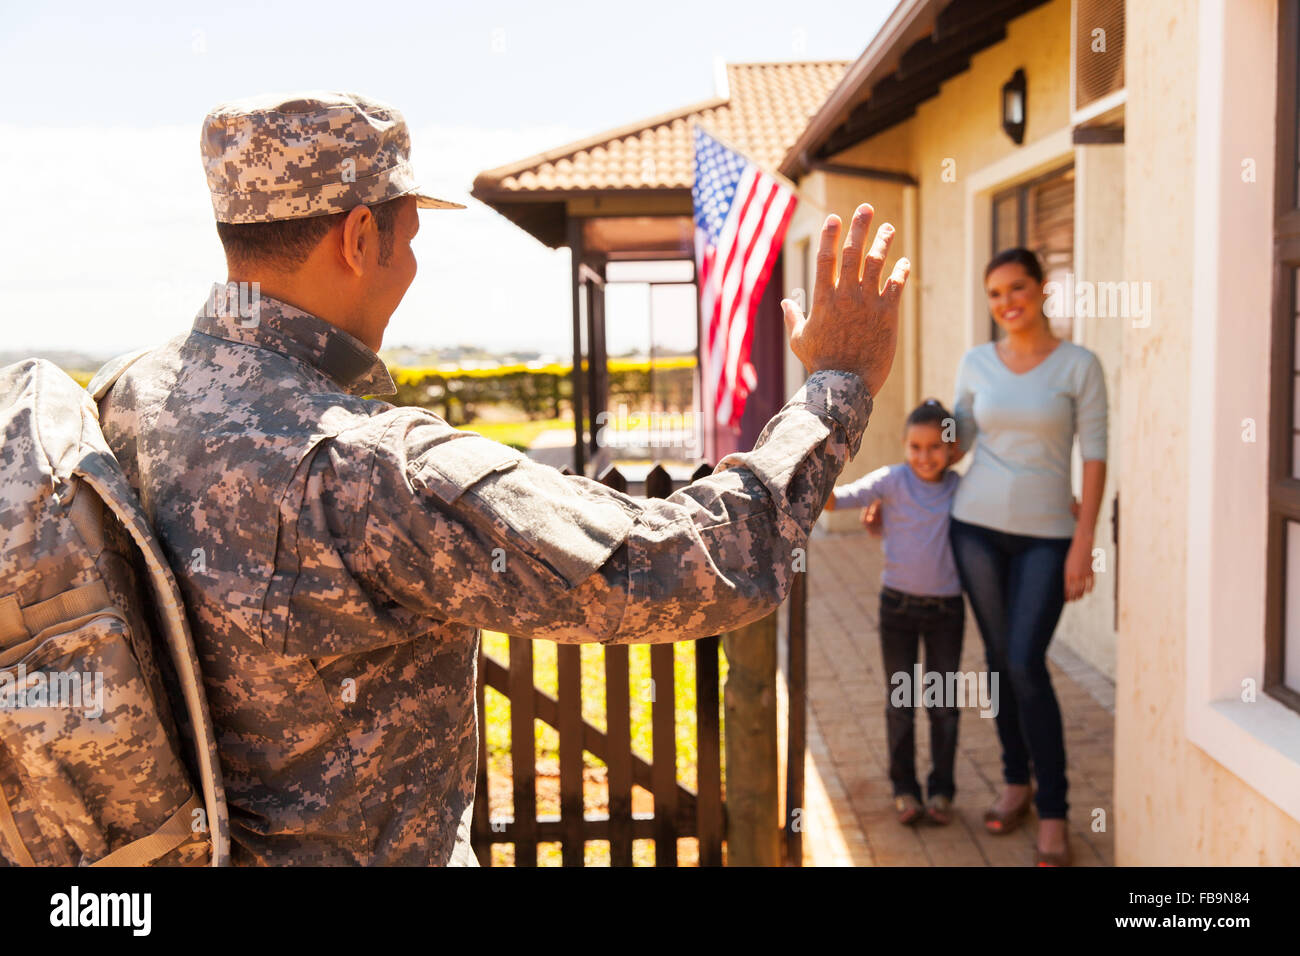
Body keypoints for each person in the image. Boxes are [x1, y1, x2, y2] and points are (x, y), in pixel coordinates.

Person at [93, 91, 911, 865]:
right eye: (408, 236)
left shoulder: (125, 395)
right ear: (357, 240)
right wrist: (837, 384)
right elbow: (702, 562)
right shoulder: (370, 466)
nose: (409, 262)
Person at [947, 247, 1108, 867]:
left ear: (1043, 290)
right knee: (996, 660)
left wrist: (1083, 542)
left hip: (1048, 536)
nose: (1006, 302)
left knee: (1025, 661)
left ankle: (1056, 811)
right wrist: (902, 488)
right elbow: (953, 444)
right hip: (976, 528)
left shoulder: (1079, 365)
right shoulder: (975, 362)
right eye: (994, 294)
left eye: (1017, 288)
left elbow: (1095, 456)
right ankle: (1016, 780)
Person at [825, 399, 963, 827]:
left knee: (942, 704)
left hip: (946, 612)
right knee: (900, 702)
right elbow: (836, 501)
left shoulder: (963, 488)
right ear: (904, 445)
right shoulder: (893, 481)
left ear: (952, 448)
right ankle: (905, 789)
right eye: (915, 447)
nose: (925, 456)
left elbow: (1004, 507)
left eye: (935, 447)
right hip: (897, 610)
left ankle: (941, 791)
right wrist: (819, 461)